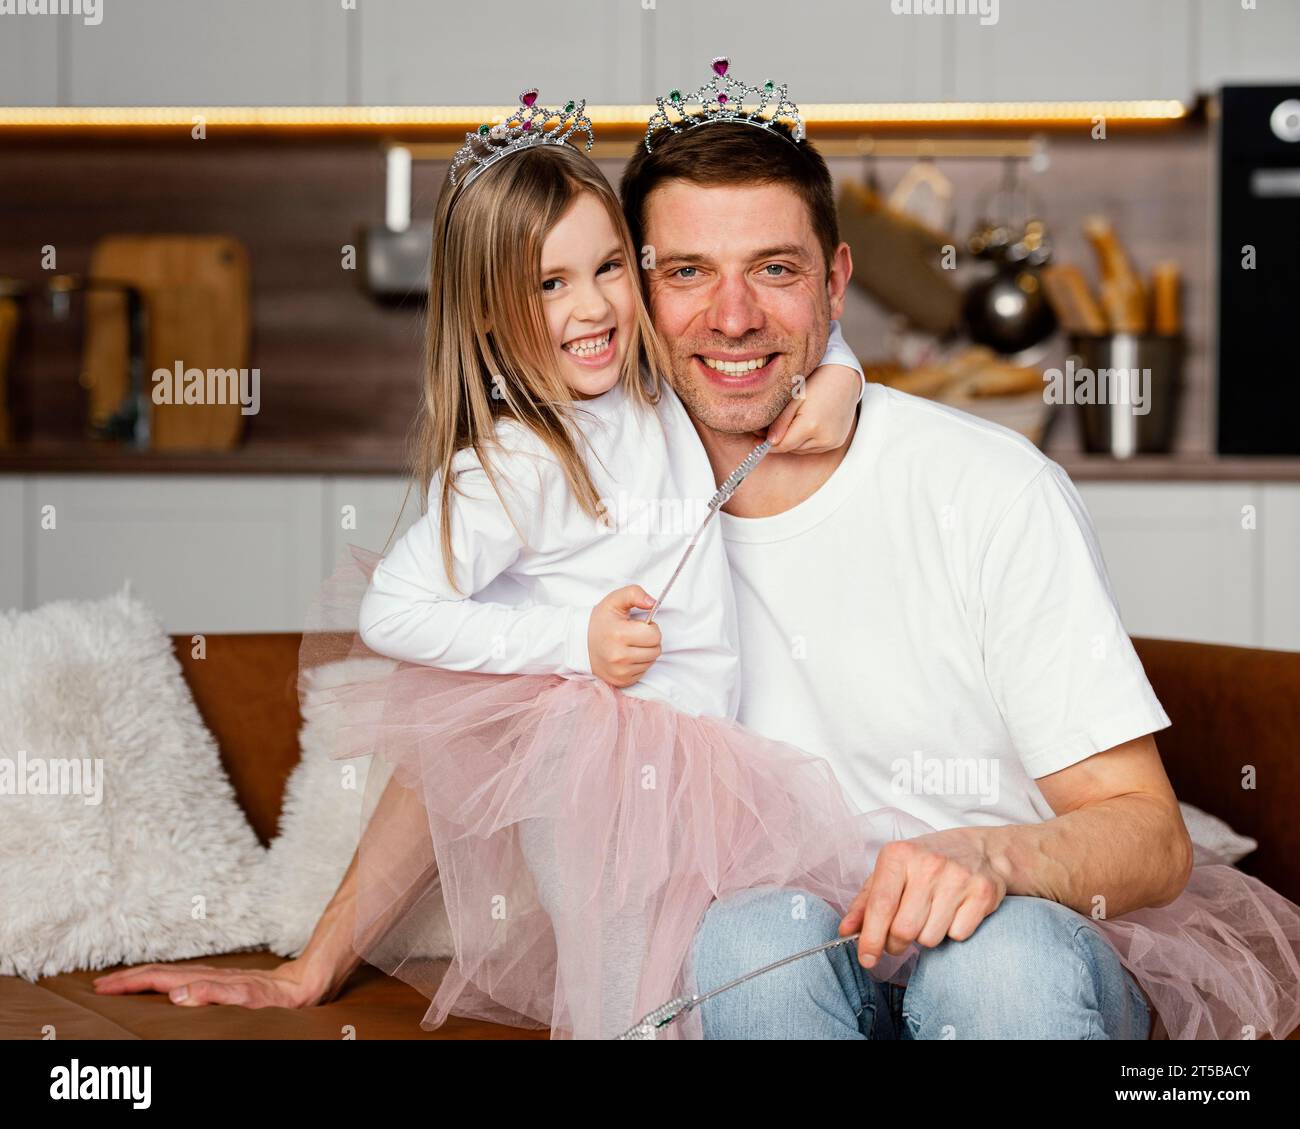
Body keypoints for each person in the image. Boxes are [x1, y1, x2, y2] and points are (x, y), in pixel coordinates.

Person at [95, 60, 1300, 1042]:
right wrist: (312, 964)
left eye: (774, 270)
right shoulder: (598, 471)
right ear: (632, 294)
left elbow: (1142, 833)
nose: (731, 318)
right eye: (685, 273)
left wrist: (982, 854)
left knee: (993, 973)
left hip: (1004, 931)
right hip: (767, 945)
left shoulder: (988, 485)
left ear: (835, 282)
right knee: (747, 941)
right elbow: (485, 733)